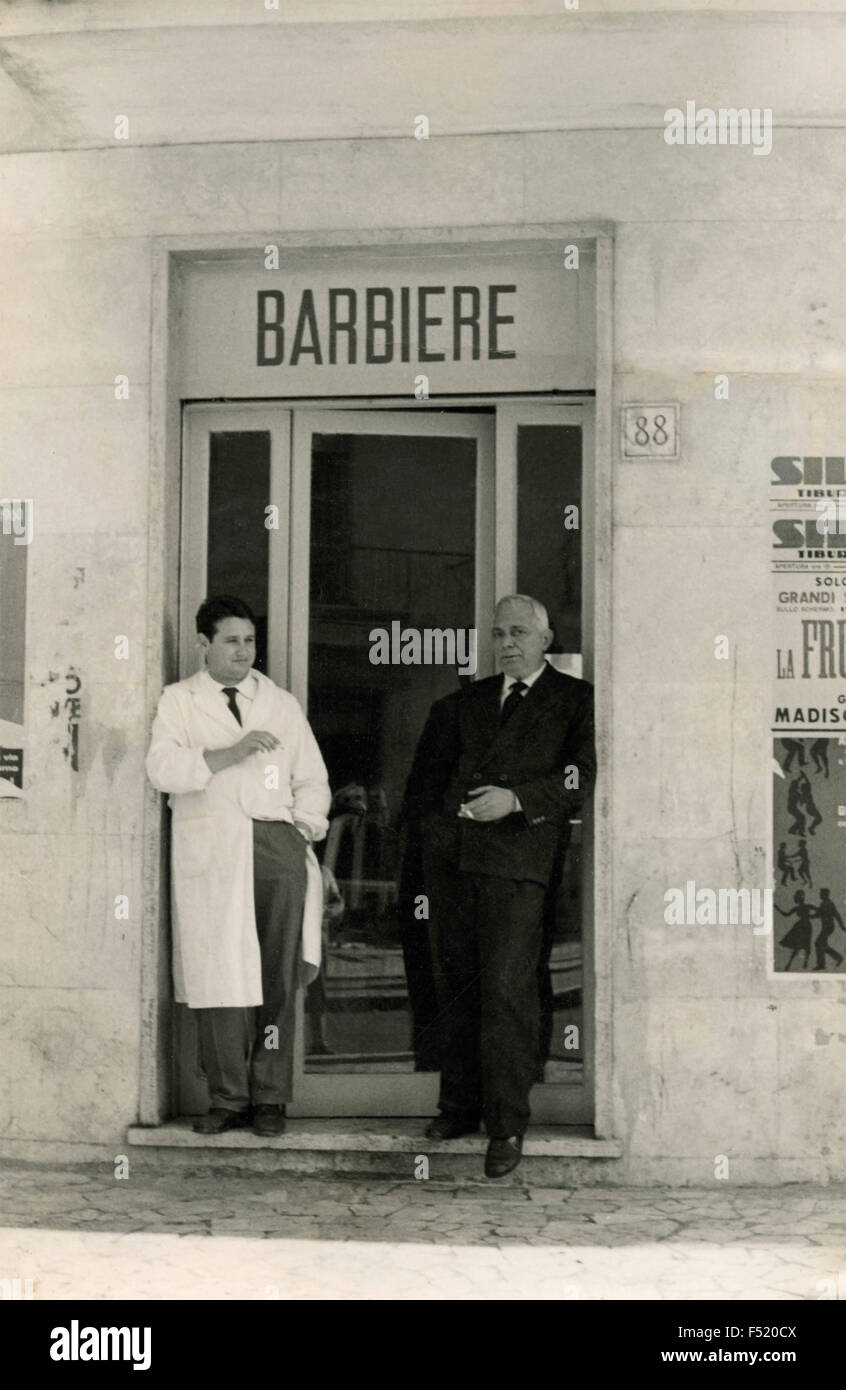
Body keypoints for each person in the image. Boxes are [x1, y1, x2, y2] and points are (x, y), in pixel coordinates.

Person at [406, 594, 596, 1178]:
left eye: (518, 632)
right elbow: (425, 785)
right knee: (456, 985)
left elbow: (578, 775)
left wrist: (515, 800)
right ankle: (458, 1106)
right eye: (498, 634)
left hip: (519, 865)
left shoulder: (575, 700)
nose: (507, 643)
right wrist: (445, 825)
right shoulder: (462, 703)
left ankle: (507, 1123)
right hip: (456, 864)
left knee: (509, 990)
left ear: (545, 638)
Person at [145, 595, 331, 1136]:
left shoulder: (280, 703)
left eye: (250, 640)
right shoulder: (179, 701)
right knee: (219, 976)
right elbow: (162, 768)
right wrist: (234, 750)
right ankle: (229, 1098)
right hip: (213, 849)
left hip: (275, 845)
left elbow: (312, 778)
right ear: (204, 644)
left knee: (276, 975)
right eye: (231, 640)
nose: (243, 651)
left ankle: (270, 1098)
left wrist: (301, 831)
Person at [775, 890, 817, 971]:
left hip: (804, 925)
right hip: (801, 925)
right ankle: (795, 963)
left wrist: (812, 916)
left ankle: (802, 962)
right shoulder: (800, 907)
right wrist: (777, 908)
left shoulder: (806, 906)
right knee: (800, 945)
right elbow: (786, 915)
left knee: (804, 944)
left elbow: (819, 911)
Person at [812, 889, 845, 970]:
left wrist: (842, 926)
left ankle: (822, 964)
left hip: (828, 927)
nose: (819, 895)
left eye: (821, 894)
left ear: (825, 895)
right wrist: (809, 916)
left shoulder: (829, 904)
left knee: (818, 943)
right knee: (822, 945)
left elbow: (837, 915)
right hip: (827, 927)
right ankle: (837, 958)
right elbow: (819, 914)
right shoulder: (824, 903)